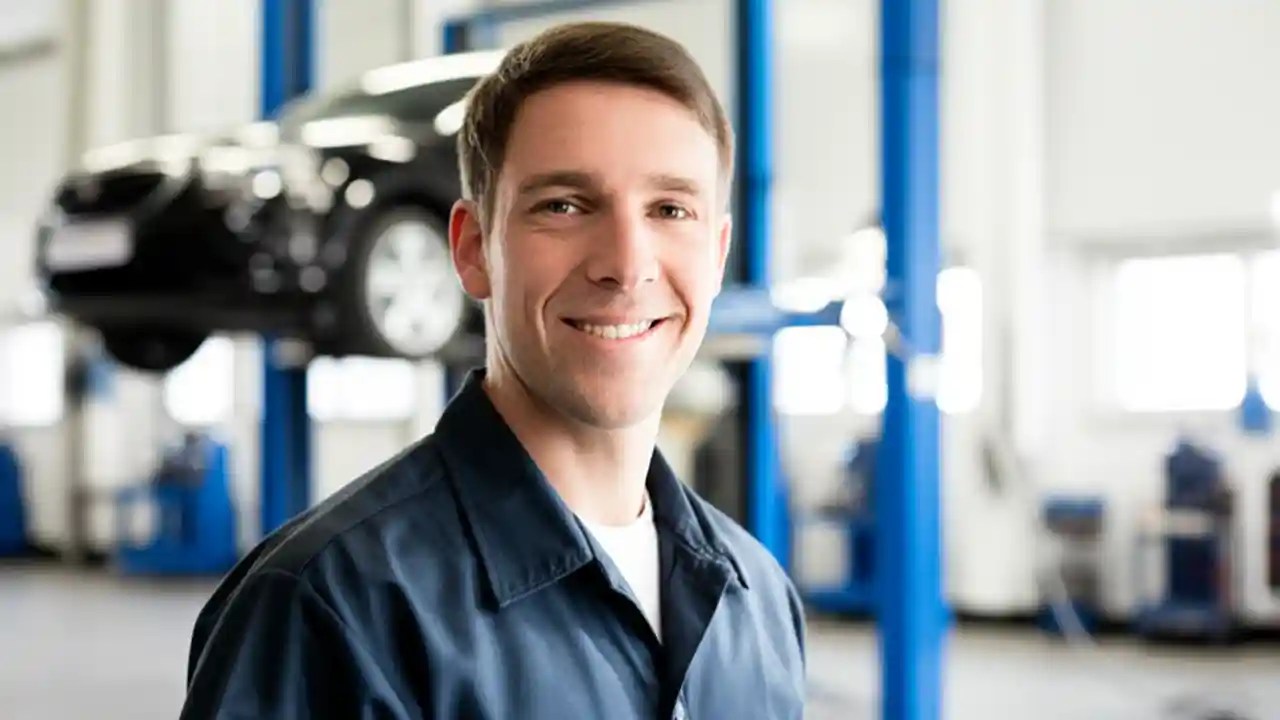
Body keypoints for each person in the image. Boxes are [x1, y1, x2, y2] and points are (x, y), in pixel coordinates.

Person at [180, 21, 806, 720]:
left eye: (670, 209)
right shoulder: (332, 607)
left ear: (717, 255)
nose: (627, 264)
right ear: (474, 247)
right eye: (564, 206)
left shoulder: (758, 599)